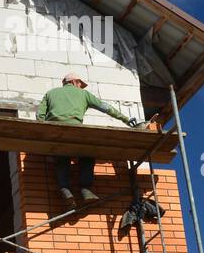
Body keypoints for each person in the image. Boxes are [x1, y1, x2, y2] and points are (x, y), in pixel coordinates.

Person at [36, 71, 141, 204]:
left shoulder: (50, 93)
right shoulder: (83, 94)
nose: (81, 87)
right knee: (87, 155)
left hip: (56, 132)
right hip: (76, 131)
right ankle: (85, 189)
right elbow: (105, 107)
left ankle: (65, 189)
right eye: (80, 84)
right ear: (74, 82)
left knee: (61, 158)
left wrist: (44, 134)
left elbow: (39, 116)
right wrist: (126, 119)